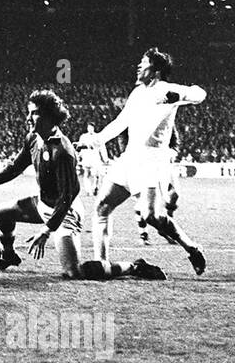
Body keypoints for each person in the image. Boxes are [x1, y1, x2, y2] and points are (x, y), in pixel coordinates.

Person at [0, 89, 164, 281]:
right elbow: (15, 167)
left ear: (48, 117)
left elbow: (68, 195)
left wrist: (46, 231)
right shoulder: (33, 139)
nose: (27, 118)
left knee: (74, 272)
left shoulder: (63, 150)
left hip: (65, 212)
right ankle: (9, 255)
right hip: (42, 204)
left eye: (33, 113)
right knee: (1, 212)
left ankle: (134, 266)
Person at [87, 48, 207, 275]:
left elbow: (200, 93)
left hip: (152, 160)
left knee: (151, 216)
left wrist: (179, 96)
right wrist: (95, 141)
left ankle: (192, 248)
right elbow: (120, 122)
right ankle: (101, 263)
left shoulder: (167, 90)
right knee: (102, 207)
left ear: (156, 70)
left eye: (143, 63)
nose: (138, 66)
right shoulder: (137, 93)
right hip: (130, 157)